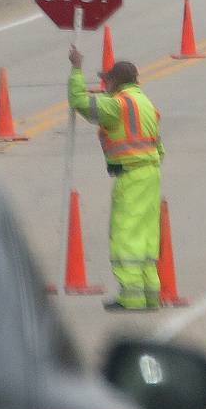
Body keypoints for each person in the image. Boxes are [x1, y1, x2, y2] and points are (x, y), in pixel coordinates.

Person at [67, 44, 164, 311]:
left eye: (106, 80)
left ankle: (131, 298)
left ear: (115, 82)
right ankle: (151, 294)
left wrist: (76, 69)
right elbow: (159, 145)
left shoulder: (119, 105)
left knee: (126, 236)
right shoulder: (145, 103)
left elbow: (81, 103)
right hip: (150, 174)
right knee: (145, 237)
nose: (104, 84)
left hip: (131, 176)